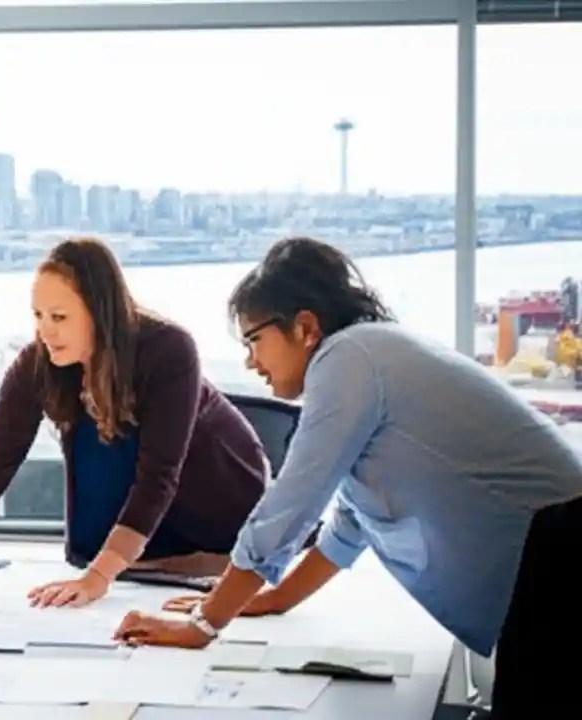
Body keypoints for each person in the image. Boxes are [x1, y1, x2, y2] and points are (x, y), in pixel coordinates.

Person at [112, 237, 582, 719]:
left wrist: (205, 625)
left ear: (305, 327)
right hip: (546, 565)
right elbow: (350, 523)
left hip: (562, 561)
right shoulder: (370, 353)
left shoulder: (348, 357)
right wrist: (273, 598)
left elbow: (292, 503)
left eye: (254, 339)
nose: (252, 361)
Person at [0, 237, 269, 608]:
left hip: (218, 526)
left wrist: (98, 578)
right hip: (138, 552)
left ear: (100, 313)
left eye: (59, 317)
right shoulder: (37, 365)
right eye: (37, 315)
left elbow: (158, 476)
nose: (45, 330)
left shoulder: (168, 349)